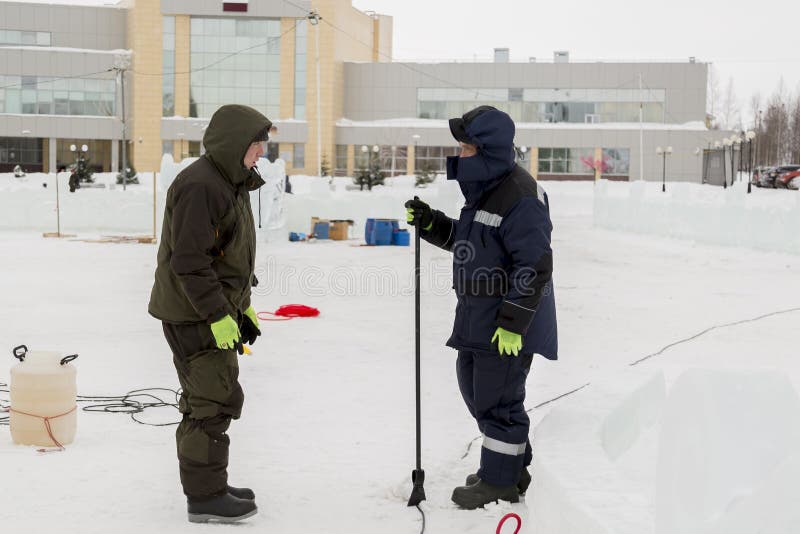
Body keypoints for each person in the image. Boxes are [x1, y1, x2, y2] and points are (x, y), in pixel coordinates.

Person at [405, 105, 558, 510]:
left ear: (486, 151)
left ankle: (500, 481)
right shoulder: (486, 190)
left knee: (498, 402)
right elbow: (472, 243)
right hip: (477, 315)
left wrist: (512, 323)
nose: (460, 155)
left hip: (505, 323)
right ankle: (508, 465)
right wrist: (432, 224)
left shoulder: (520, 197)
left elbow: (535, 265)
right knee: (475, 391)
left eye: (466, 148)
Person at [148, 104, 270, 523]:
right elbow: (190, 261)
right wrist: (219, 315)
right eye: (255, 147)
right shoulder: (201, 186)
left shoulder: (229, 182)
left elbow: (229, 258)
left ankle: (210, 484)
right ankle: (205, 497)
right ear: (235, 144)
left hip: (209, 308)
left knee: (212, 397)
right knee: (211, 401)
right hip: (193, 314)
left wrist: (244, 308)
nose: (259, 155)